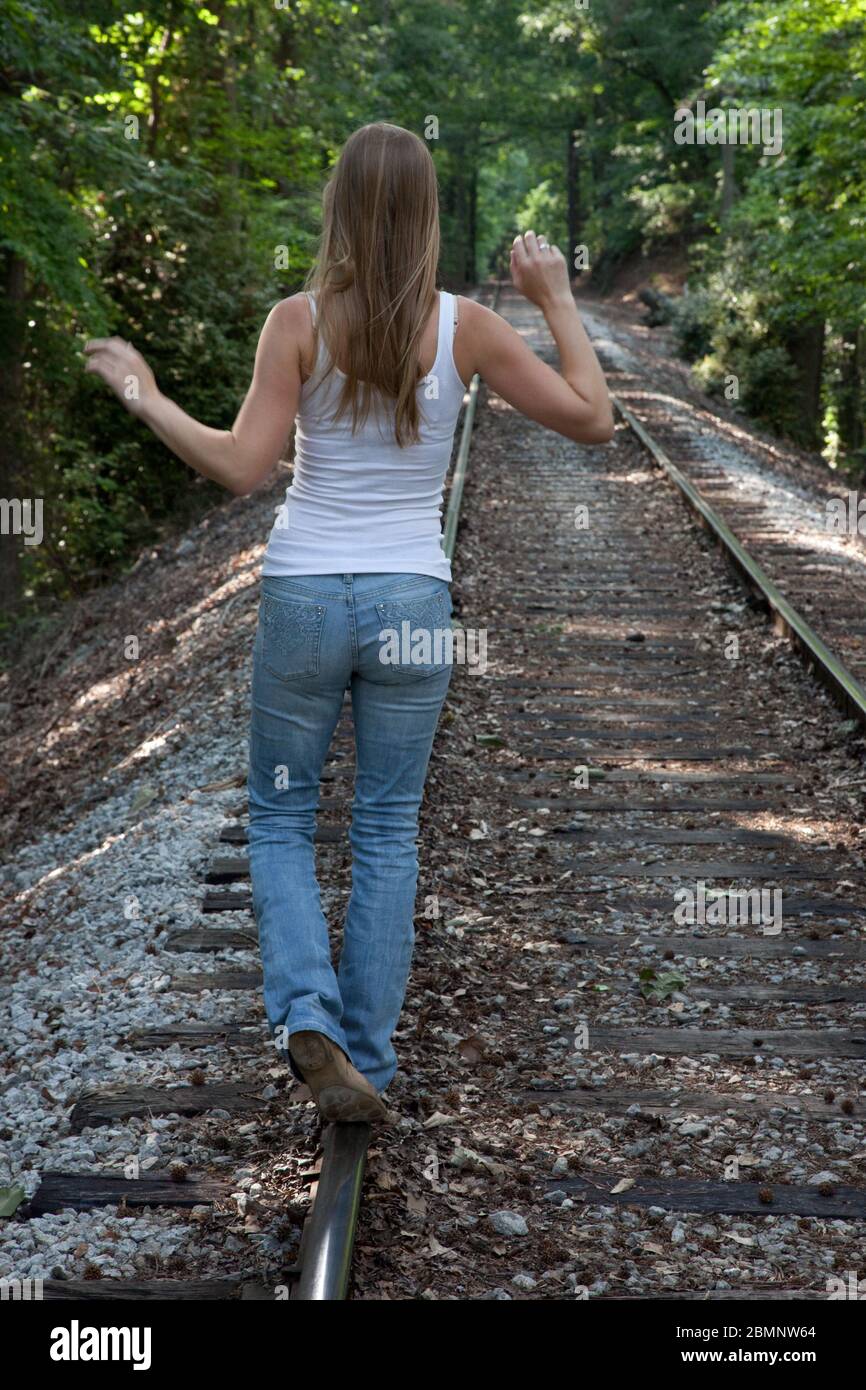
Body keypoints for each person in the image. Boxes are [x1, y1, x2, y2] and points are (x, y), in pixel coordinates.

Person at [84, 121, 613, 1125]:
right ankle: (362, 1055)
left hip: (305, 600)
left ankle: (305, 1011)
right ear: (427, 216)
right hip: (411, 604)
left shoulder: (296, 321)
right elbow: (592, 417)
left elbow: (241, 469)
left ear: (336, 206)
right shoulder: (467, 328)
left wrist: (145, 396)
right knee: (384, 827)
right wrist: (555, 301)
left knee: (281, 818)